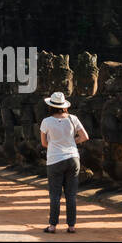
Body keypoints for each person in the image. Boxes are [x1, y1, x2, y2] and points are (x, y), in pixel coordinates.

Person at [39, 90, 87, 234]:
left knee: (55, 195)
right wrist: (72, 141)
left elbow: (43, 143)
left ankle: (53, 226)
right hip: (73, 158)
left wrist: (56, 143)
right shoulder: (73, 118)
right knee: (71, 195)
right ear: (64, 105)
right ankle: (71, 226)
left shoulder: (46, 122)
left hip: (55, 160)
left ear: (51, 106)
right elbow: (85, 137)